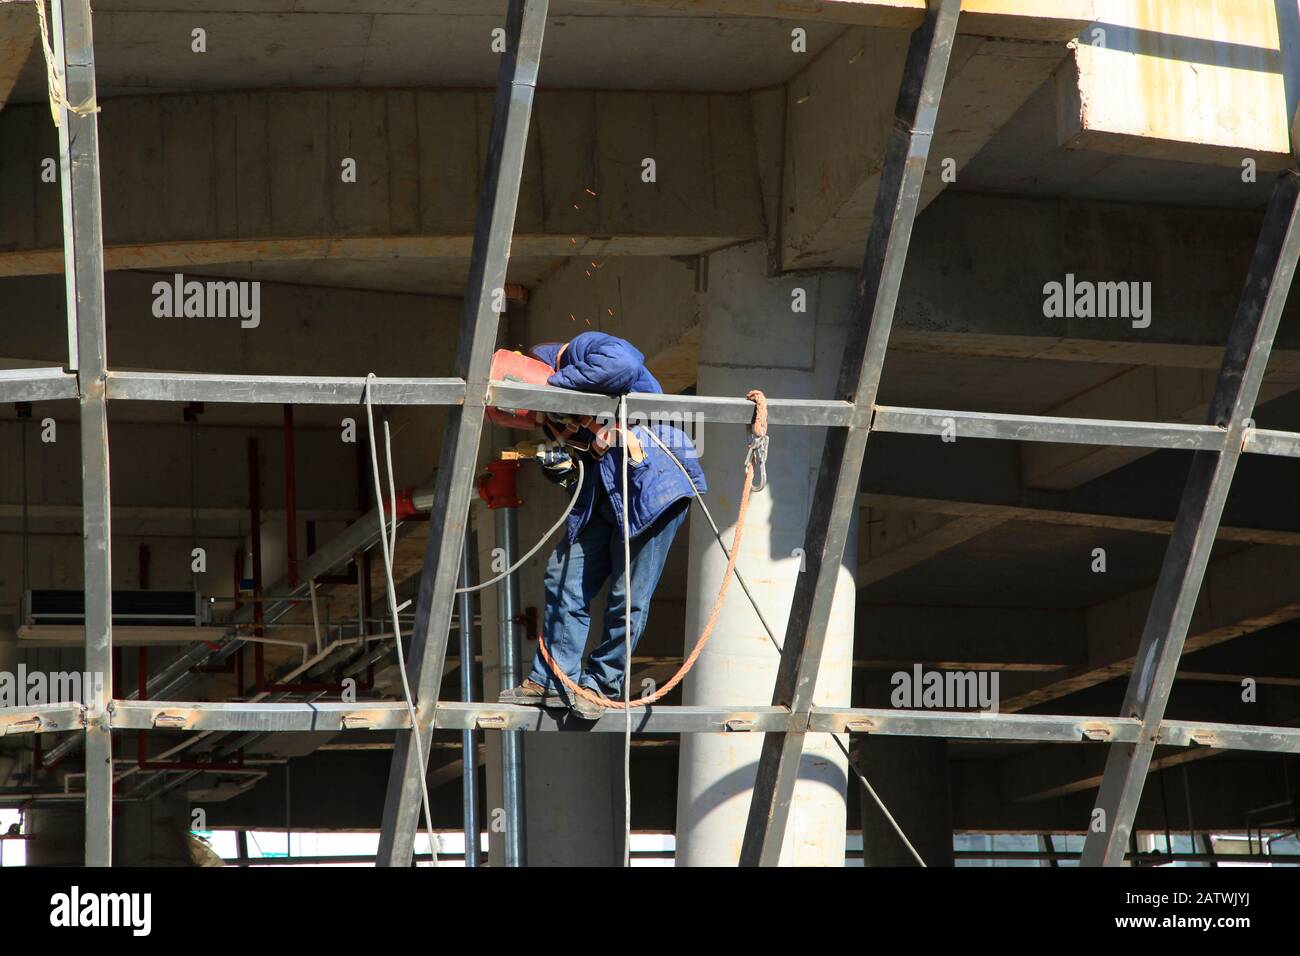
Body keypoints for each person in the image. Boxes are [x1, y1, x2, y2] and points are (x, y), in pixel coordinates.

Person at [498, 332, 706, 719]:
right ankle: (554, 680)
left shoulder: (582, 349)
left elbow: (624, 364)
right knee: (564, 575)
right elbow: (585, 454)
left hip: (651, 484)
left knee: (628, 597)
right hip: (604, 495)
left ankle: (602, 682)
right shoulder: (558, 416)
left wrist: (550, 388)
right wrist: (565, 460)